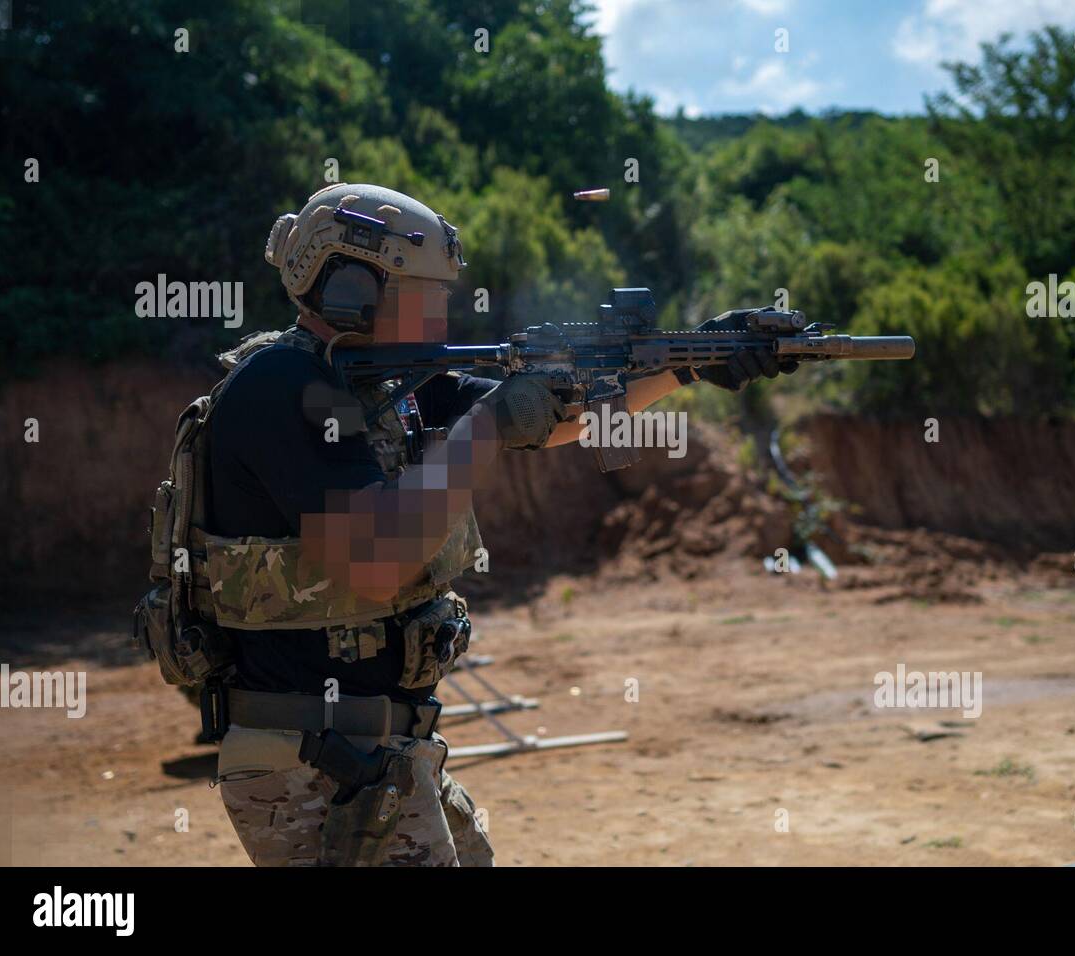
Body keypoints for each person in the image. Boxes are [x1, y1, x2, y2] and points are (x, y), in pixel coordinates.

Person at [156, 182, 789, 867]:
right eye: (426, 292)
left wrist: (692, 361)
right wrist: (487, 427)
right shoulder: (279, 389)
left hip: (374, 754)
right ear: (352, 290)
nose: (443, 310)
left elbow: (553, 421)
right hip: (310, 763)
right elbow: (376, 556)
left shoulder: (385, 385)